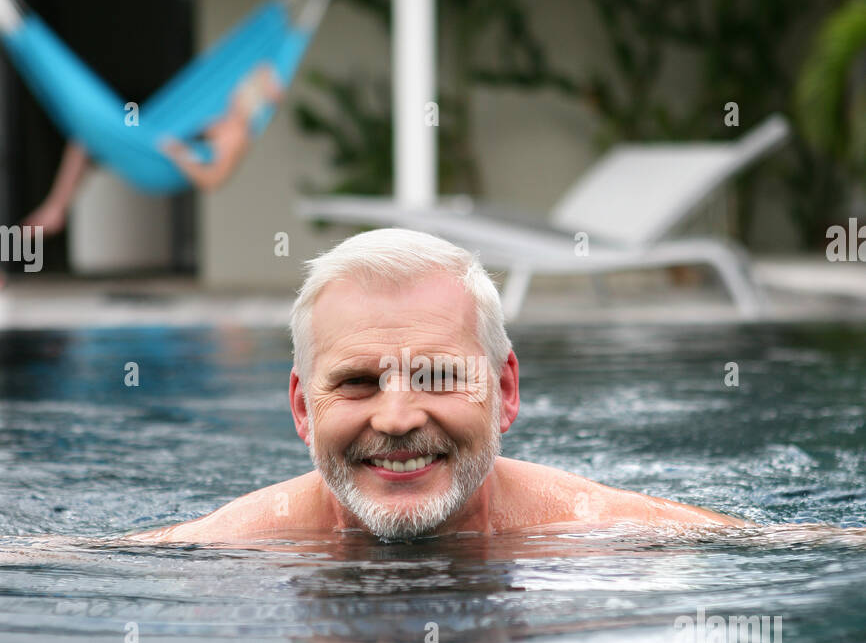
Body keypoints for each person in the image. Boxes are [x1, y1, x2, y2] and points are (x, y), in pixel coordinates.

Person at [128, 227, 745, 545]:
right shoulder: (227, 550)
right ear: (301, 408)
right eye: (358, 383)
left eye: (440, 377)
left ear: (504, 392)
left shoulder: (611, 534)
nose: (396, 419)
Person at [19, 61, 284, 233]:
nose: (233, 94)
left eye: (241, 93)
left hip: (162, 168)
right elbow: (262, 69)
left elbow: (213, 181)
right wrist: (271, 78)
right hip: (157, 150)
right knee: (84, 140)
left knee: (86, 138)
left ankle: (55, 208)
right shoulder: (224, 119)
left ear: (250, 102)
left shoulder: (239, 136)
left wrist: (180, 156)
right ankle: (56, 207)